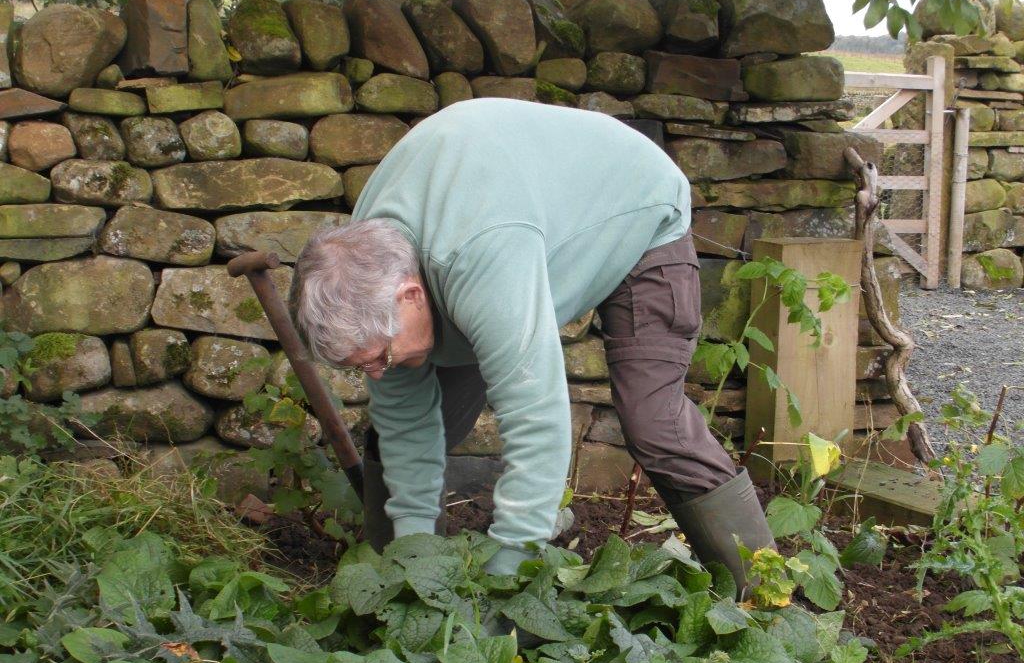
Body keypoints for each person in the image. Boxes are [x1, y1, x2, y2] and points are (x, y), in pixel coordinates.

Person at [289, 98, 774, 591]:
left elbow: (537, 425)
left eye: (378, 357)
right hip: (517, 222)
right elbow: (407, 430)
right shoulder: (365, 259)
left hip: (634, 209)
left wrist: (509, 581)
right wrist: (410, 576)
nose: (376, 373)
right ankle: (387, 580)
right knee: (416, 420)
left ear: (411, 295)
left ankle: (759, 587)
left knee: (652, 421)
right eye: (360, 366)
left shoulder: (480, 257)